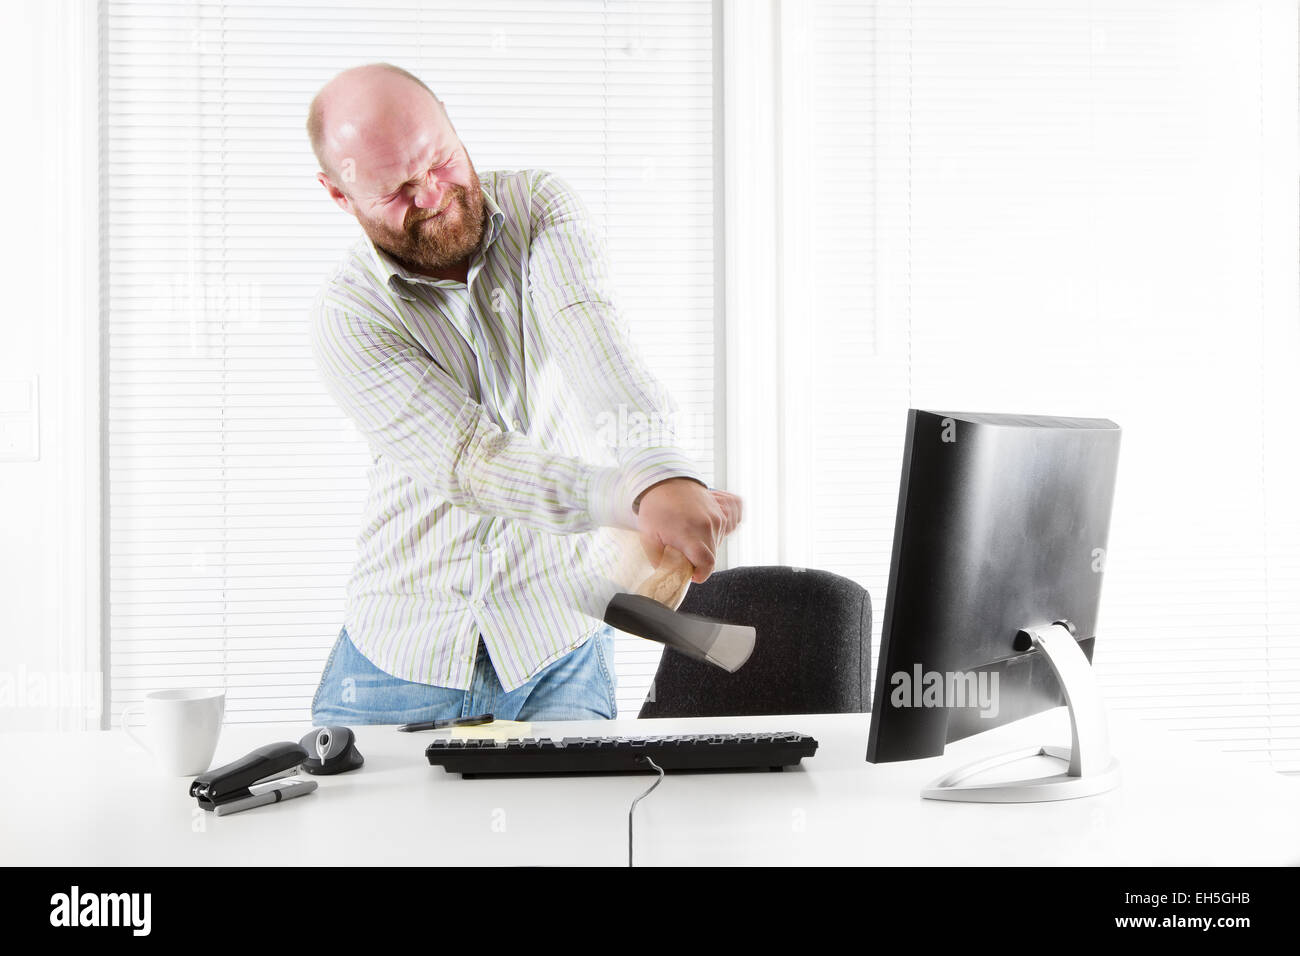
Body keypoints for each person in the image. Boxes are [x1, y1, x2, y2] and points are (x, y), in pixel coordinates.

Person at [304, 63, 742, 724]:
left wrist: (660, 471)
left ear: (452, 125)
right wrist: (630, 496)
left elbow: (589, 330)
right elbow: (470, 461)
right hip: (401, 662)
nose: (432, 196)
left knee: (576, 832)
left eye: (441, 162)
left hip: (558, 653)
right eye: (397, 190)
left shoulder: (540, 207)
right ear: (340, 196)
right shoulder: (349, 315)